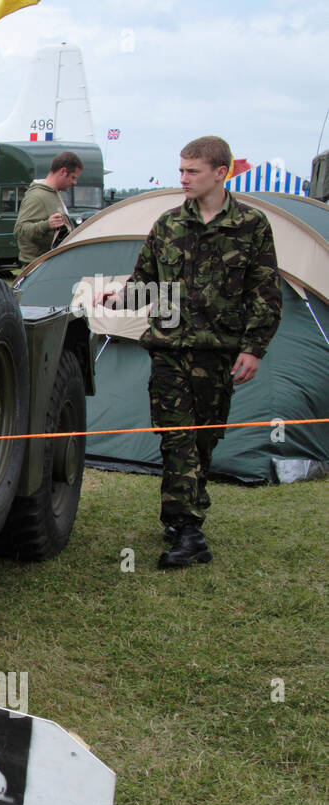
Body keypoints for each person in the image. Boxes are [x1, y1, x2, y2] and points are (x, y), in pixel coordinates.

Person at [103, 135, 280, 568]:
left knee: (203, 440)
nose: (183, 179)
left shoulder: (251, 226)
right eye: (181, 170)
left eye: (192, 171)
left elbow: (265, 293)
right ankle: (187, 530)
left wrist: (253, 348)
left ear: (221, 172)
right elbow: (145, 279)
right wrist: (115, 300)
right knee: (175, 437)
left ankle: (185, 514)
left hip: (217, 354)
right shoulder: (167, 224)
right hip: (168, 351)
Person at [14, 151, 84, 266]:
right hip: (37, 268)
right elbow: (19, 231)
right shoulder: (37, 196)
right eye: (73, 177)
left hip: (49, 265)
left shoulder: (53, 194)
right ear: (63, 172)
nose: (74, 182)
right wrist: (47, 225)